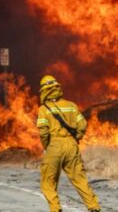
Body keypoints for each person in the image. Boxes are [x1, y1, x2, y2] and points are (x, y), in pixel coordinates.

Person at [36, 75, 101, 212]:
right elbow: (82, 124)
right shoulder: (71, 106)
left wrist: (47, 146)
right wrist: (76, 137)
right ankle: (94, 207)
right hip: (72, 145)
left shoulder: (43, 109)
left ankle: (56, 209)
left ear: (44, 91)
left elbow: (43, 132)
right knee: (80, 179)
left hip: (54, 146)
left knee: (48, 183)